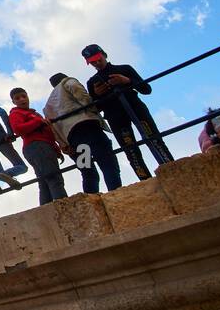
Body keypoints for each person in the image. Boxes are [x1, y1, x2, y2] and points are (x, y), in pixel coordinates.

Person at [83, 44, 173, 180]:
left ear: (104, 54)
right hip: (115, 117)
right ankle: (145, 180)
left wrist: (127, 80)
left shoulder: (124, 69)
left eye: (97, 59)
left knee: (154, 139)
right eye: (92, 62)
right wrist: (97, 95)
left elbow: (146, 89)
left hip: (136, 108)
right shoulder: (92, 82)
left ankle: (172, 169)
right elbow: (96, 108)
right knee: (131, 150)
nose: (96, 63)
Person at [44, 72, 122, 194]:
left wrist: (64, 144)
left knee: (87, 169)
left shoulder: (48, 105)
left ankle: (90, 198)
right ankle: (116, 193)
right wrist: (92, 107)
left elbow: (53, 126)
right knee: (107, 162)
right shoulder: (67, 82)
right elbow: (81, 94)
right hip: (87, 127)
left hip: (73, 138)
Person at [9, 88, 68, 205]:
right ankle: (65, 206)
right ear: (13, 101)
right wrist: (38, 122)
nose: (22, 99)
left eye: (23, 96)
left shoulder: (34, 114)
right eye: (17, 98)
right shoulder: (16, 113)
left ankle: (47, 210)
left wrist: (56, 149)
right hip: (36, 146)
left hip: (42, 146)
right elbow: (18, 129)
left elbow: (48, 133)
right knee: (53, 177)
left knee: (44, 181)